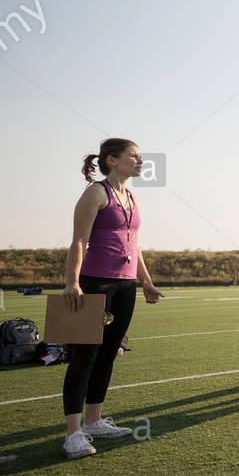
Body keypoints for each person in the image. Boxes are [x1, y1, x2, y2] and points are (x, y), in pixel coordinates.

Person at [60, 139, 162, 459]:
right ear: (113, 160)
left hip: (125, 286)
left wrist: (145, 282)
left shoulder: (133, 197)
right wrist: (71, 282)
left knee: (108, 354)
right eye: (133, 156)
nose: (140, 160)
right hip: (94, 283)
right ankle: (73, 433)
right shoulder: (95, 192)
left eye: (140, 156)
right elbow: (78, 240)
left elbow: (135, 243)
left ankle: (94, 422)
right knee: (84, 358)